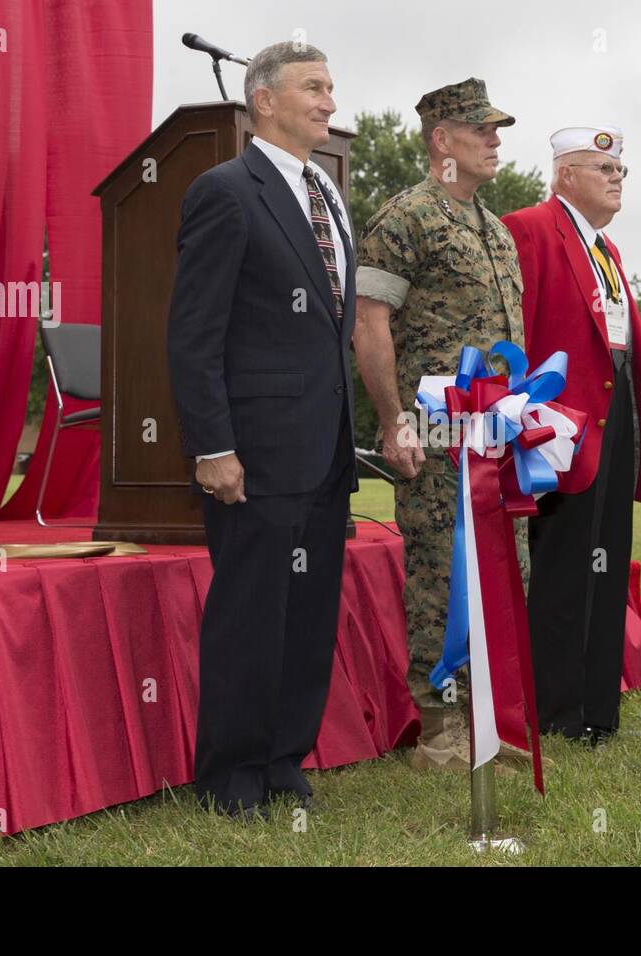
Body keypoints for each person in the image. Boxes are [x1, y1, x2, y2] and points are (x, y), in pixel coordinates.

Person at [166, 41, 356, 819]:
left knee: (309, 611)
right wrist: (213, 446)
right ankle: (231, 775)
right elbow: (192, 332)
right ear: (264, 100)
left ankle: (284, 756)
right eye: (313, 87)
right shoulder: (225, 191)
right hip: (256, 449)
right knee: (252, 612)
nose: (329, 102)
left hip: (327, 445)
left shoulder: (329, 194)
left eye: (332, 87)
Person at [353, 78, 530, 770]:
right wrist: (395, 421)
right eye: (481, 129)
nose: (494, 140)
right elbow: (369, 327)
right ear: (441, 140)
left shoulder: (494, 228)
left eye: (496, 130)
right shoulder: (406, 219)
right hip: (435, 437)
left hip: (497, 441)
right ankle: (440, 728)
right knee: (438, 575)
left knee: (500, 572)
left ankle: (489, 718)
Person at [501, 126, 641, 745]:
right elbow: (516, 328)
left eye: (620, 170)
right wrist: (524, 412)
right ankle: (555, 715)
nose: (616, 178)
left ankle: (597, 711)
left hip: (615, 415)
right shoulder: (530, 228)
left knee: (607, 562)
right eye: (602, 168)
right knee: (563, 567)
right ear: (564, 175)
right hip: (560, 424)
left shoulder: (607, 250)